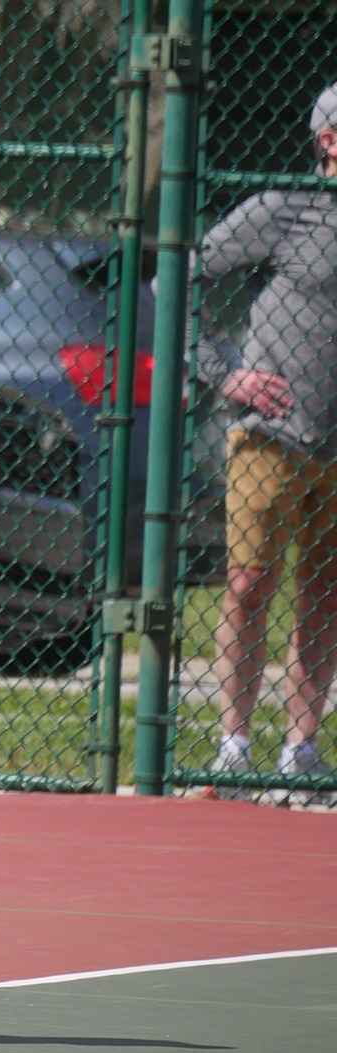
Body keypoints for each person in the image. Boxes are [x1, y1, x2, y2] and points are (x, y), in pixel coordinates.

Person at [197, 78, 337, 801]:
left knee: (324, 594)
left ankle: (300, 756)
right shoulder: (283, 211)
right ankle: (234, 748)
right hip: (270, 440)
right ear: (330, 141)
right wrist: (225, 375)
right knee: (251, 585)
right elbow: (177, 280)